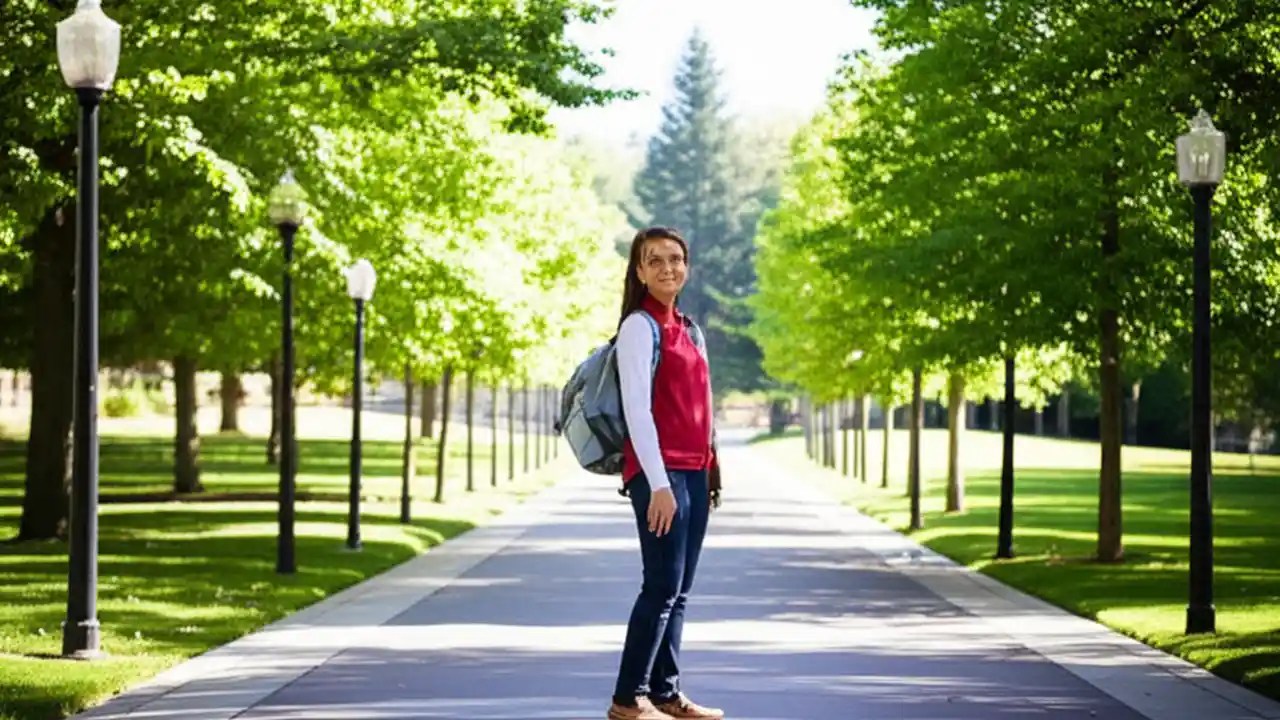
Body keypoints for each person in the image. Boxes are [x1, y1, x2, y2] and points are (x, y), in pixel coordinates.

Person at [608, 227, 724, 720]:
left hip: (693, 472)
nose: (667, 267)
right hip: (660, 473)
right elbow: (638, 409)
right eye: (654, 260)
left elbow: (702, 405)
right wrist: (658, 483)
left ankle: (665, 693)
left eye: (675, 259)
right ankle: (627, 698)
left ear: (687, 266)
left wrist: (712, 464)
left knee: (679, 590)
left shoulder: (690, 329)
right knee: (659, 587)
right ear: (639, 271)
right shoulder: (639, 327)